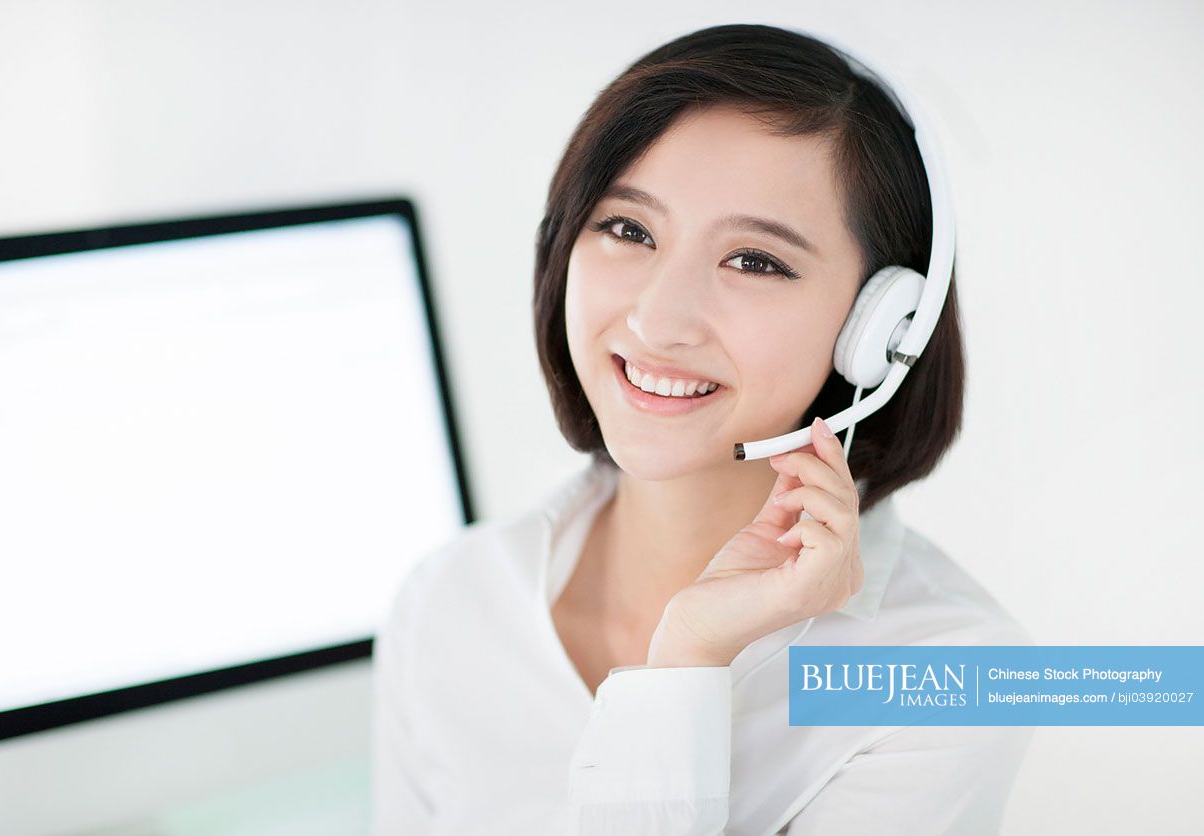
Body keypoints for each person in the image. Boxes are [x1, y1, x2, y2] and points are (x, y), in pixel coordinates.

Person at [368, 23, 1034, 836]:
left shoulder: (947, 674)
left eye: (754, 260)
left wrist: (686, 660)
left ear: (877, 329)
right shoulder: (449, 600)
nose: (658, 320)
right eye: (628, 230)